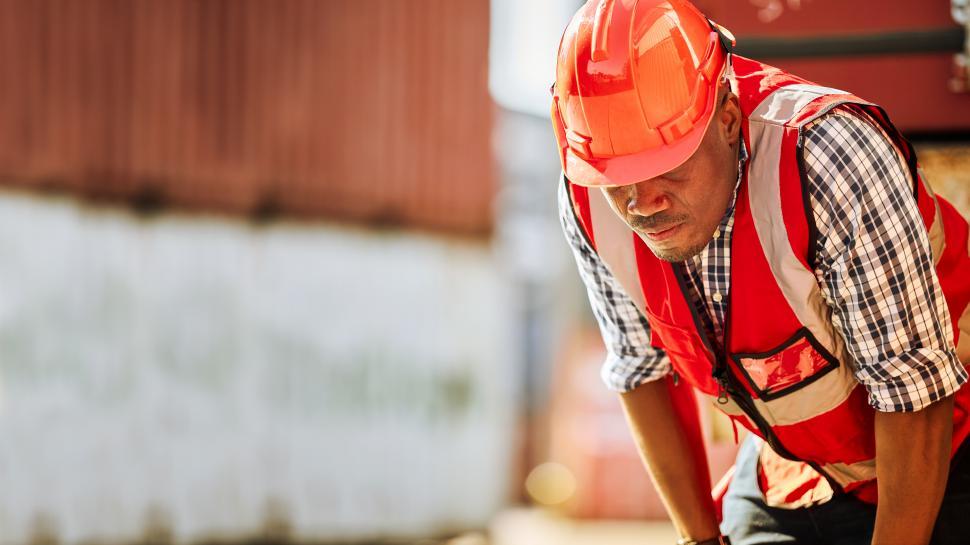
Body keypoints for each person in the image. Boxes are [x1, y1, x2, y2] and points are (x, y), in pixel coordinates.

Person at [550, 1, 970, 544]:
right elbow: (640, 371)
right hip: (800, 468)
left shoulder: (827, 154)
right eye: (617, 177)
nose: (641, 203)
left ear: (727, 116)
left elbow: (915, 391)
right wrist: (701, 539)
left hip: (948, 439)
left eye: (666, 166)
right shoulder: (586, 198)